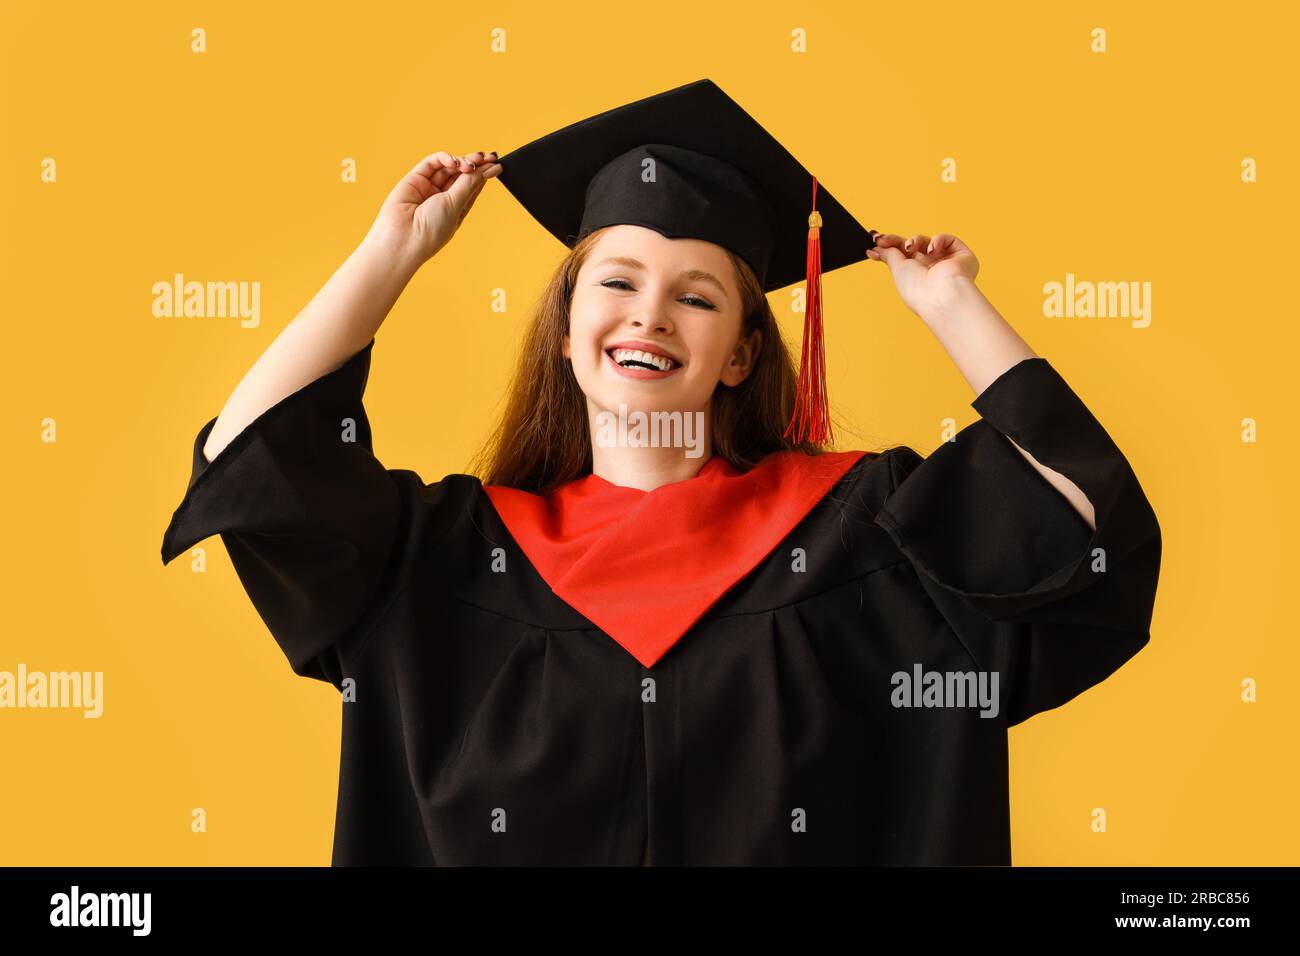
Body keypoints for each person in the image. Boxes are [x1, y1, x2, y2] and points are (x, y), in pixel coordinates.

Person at [160, 79, 1161, 865]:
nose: (649, 315)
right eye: (618, 282)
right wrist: (394, 251)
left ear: (738, 353)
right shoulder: (450, 564)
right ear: (565, 329)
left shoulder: (865, 532)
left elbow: (1084, 523)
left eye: (696, 297)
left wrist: (953, 308)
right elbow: (251, 457)